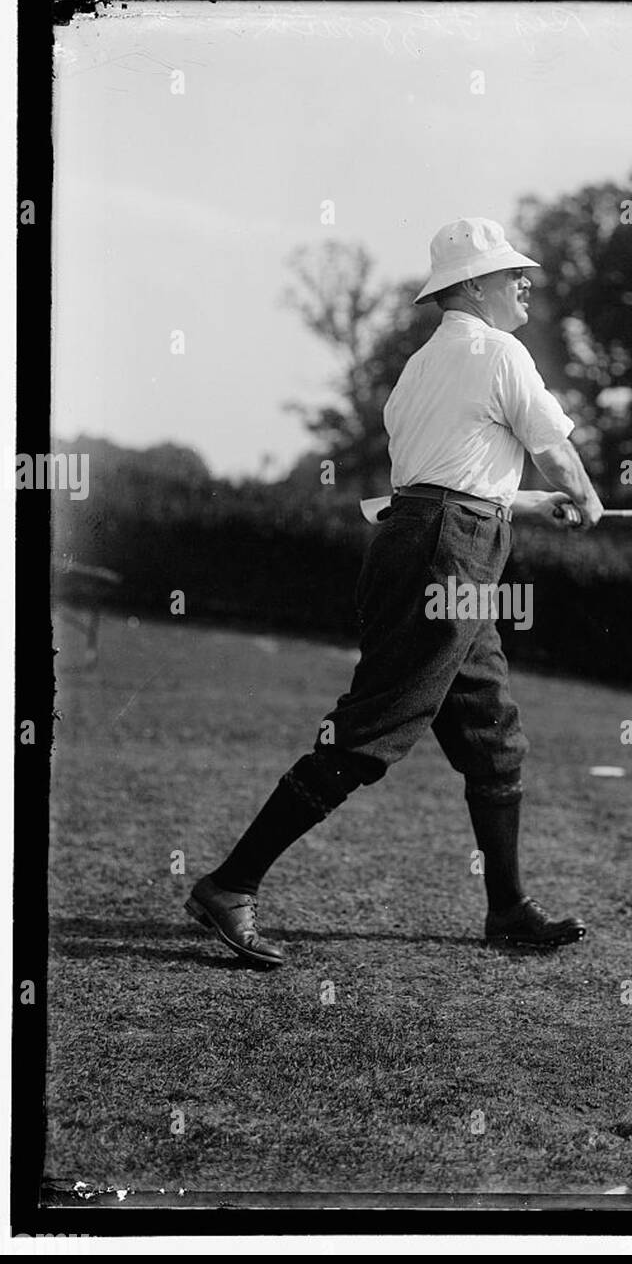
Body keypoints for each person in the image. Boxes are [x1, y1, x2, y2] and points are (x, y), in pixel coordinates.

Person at [186, 217, 604, 968]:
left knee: (493, 734)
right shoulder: (500, 352)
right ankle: (229, 883)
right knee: (375, 727)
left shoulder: (421, 370)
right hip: (448, 555)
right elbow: (553, 452)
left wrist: (536, 504)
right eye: (512, 274)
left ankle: (507, 909)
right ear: (472, 286)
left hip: (431, 541)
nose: (525, 283)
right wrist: (583, 494)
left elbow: (448, 479)